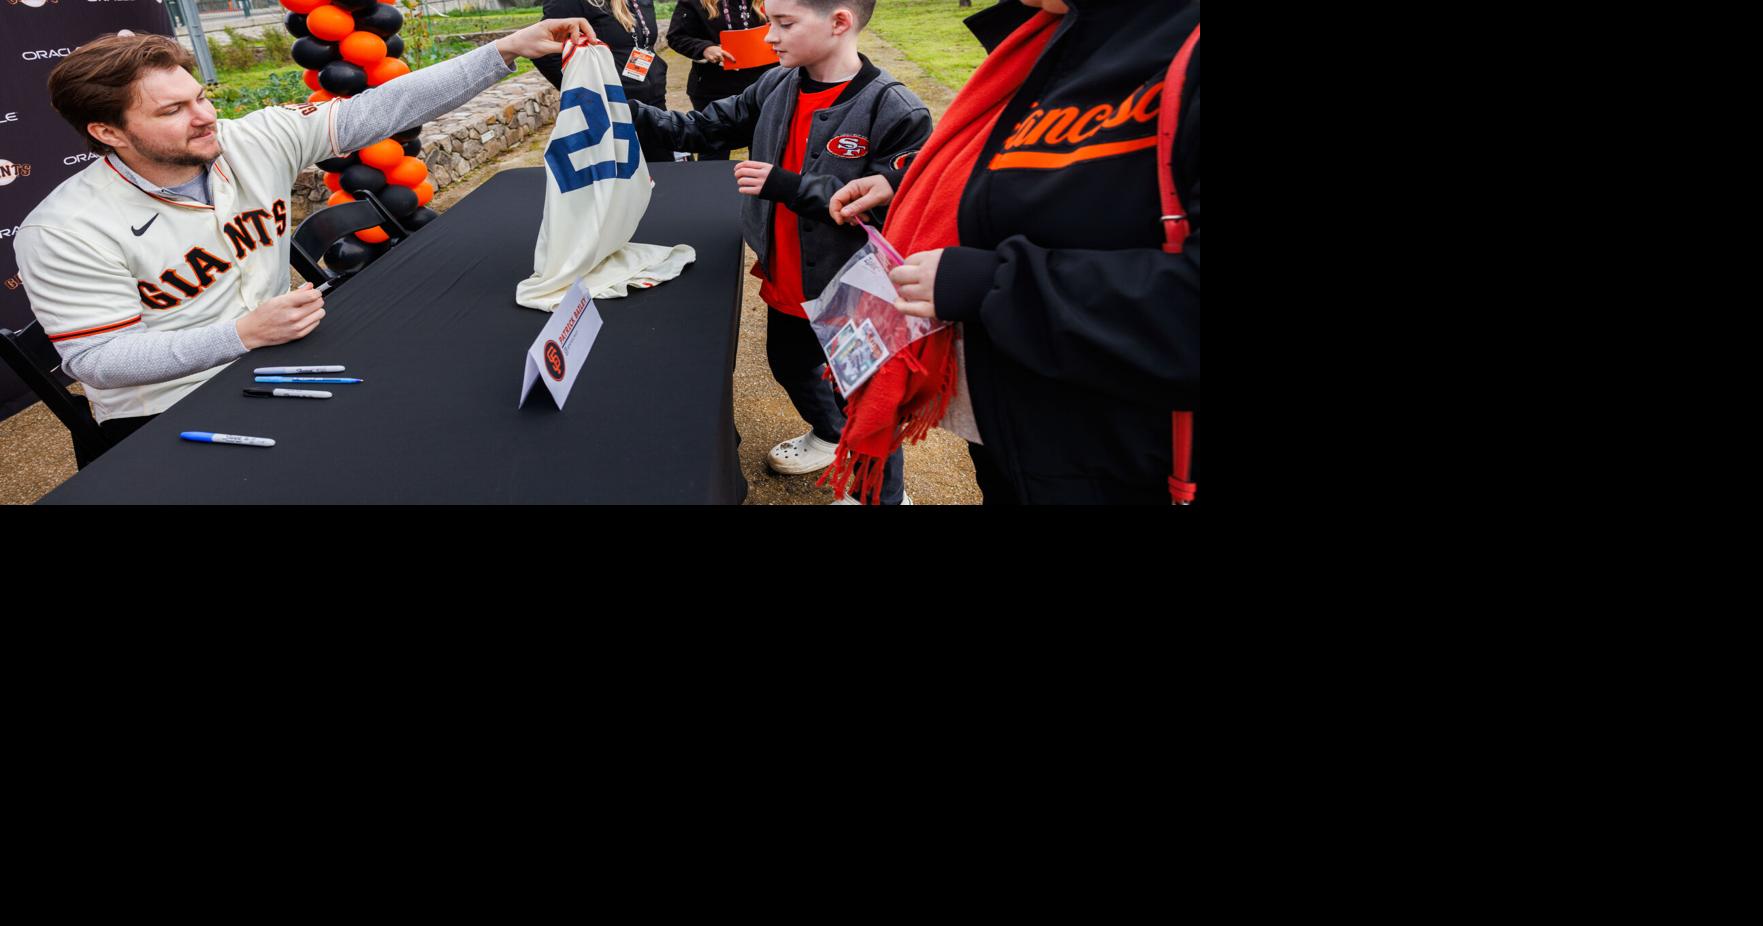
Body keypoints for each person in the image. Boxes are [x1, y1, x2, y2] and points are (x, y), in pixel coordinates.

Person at [13, 20, 595, 444]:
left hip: (282, 359)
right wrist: (240, 335)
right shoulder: (64, 229)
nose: (205, 117)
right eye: (171, 112)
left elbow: (383, 107)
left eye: (200, 97)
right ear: (107, 132)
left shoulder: (249, 136)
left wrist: (506, 49)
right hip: (166, 410)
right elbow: (98, 360)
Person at [827, 0, 1202, 505]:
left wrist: (995, 284)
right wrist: (904, 184)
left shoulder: (1177, 49)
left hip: (1119, 456)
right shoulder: (1055, 33)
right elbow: (1024, 178)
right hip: (1018, 428)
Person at [628, 0, 932, 505]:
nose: (768, 37)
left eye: (784, 23)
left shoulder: (895, 108)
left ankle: (881, 495)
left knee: (866, 399)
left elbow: (903, 205)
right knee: (790, 365)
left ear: (840, 22)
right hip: (787, 277)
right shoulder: (774, 85)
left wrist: (792, 186)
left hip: (853, 290)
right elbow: (700, 128)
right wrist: (618, 106)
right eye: (771, 21)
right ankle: (833, 436)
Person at [535, 0, 675, 164]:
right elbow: (545, 52)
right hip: (610, 112)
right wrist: (590, 95)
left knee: (662, 173)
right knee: (624, 178)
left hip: (652, 103)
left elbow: (642, 43)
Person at [665, 0, 778, 161]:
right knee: (713, 151)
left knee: (763, 147)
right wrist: (704, 48)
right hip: (714, 89)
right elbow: (676, 37)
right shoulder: (695, 3)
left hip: (764, 86)